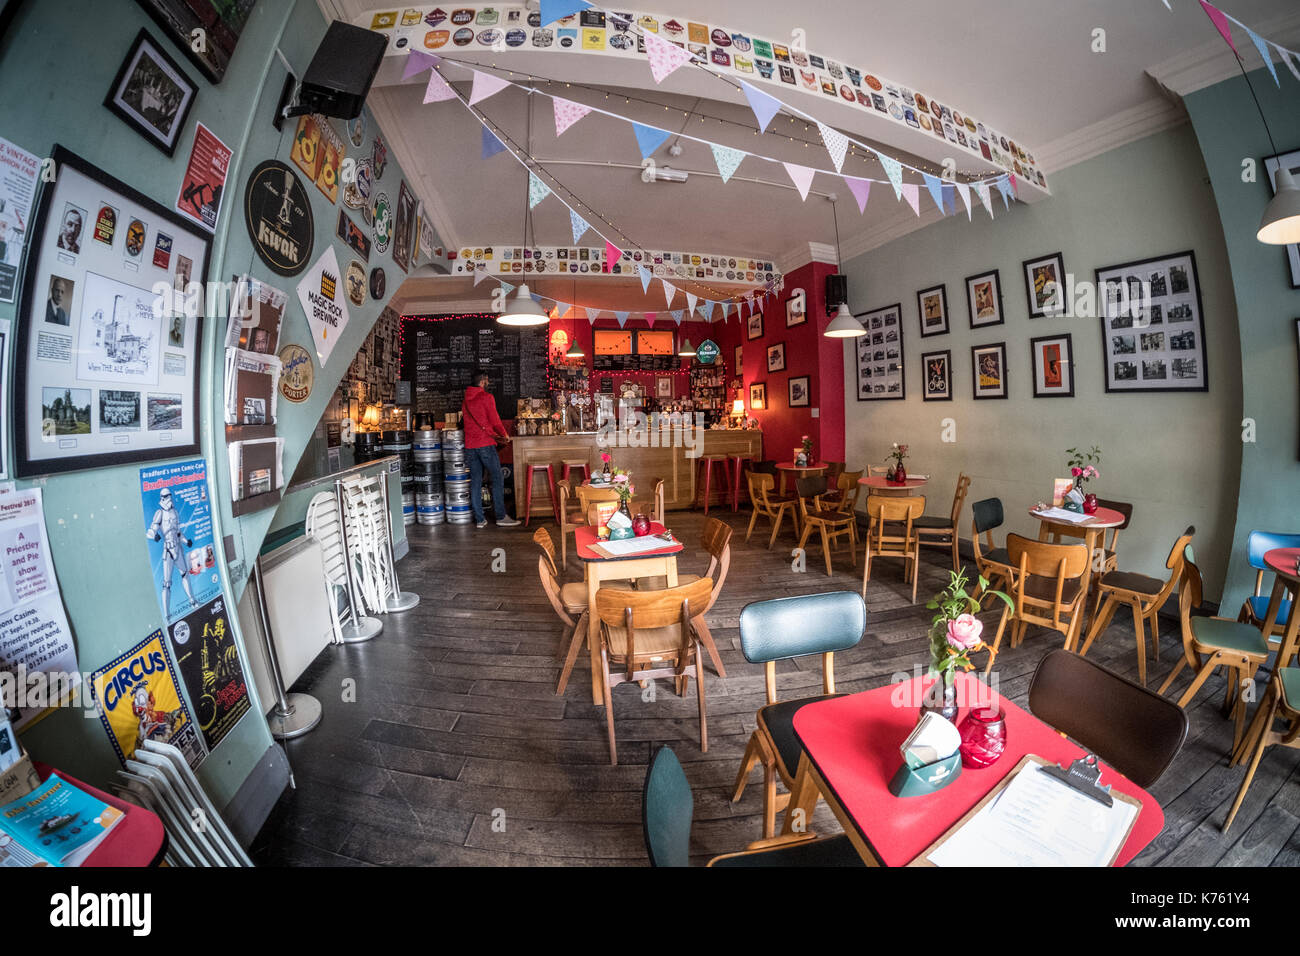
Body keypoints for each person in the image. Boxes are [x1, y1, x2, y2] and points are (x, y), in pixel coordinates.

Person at [461, 372, 519, 529]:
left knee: (475, 481)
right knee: (497, 478)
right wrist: (504, 434)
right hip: (485, 444)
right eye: (487, 380)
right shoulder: (486, 397)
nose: (489, 382)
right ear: (482, 382)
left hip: (470, 446)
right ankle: (500, 516)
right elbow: (494, 420)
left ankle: (480, 520)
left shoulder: (466, 400)